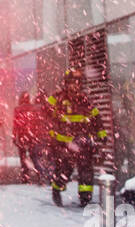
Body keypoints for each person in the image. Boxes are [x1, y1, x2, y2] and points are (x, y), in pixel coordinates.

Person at [44, 69, 107, 206]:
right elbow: (45, 112)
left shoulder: (84, 100)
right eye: (72, 83)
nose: (75, 86)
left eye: (78, 83)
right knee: (65, 170)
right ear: (66, 84)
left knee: (86, 171)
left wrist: (102, 135)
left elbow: (96, 119)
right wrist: (52, 132)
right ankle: (57, 189)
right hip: (63, 144)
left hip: (82, 143)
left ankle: (85, 198)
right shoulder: (58, 98)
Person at [13, 93, 43, 184]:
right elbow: (37, 122)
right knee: (34, 157)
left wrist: (15, 136)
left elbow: (16, 124)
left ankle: (25, 177)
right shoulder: (34, 108)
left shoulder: (17, 109)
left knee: (23, 157)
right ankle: (40, 174)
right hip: (32, 136)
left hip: (22, 136)